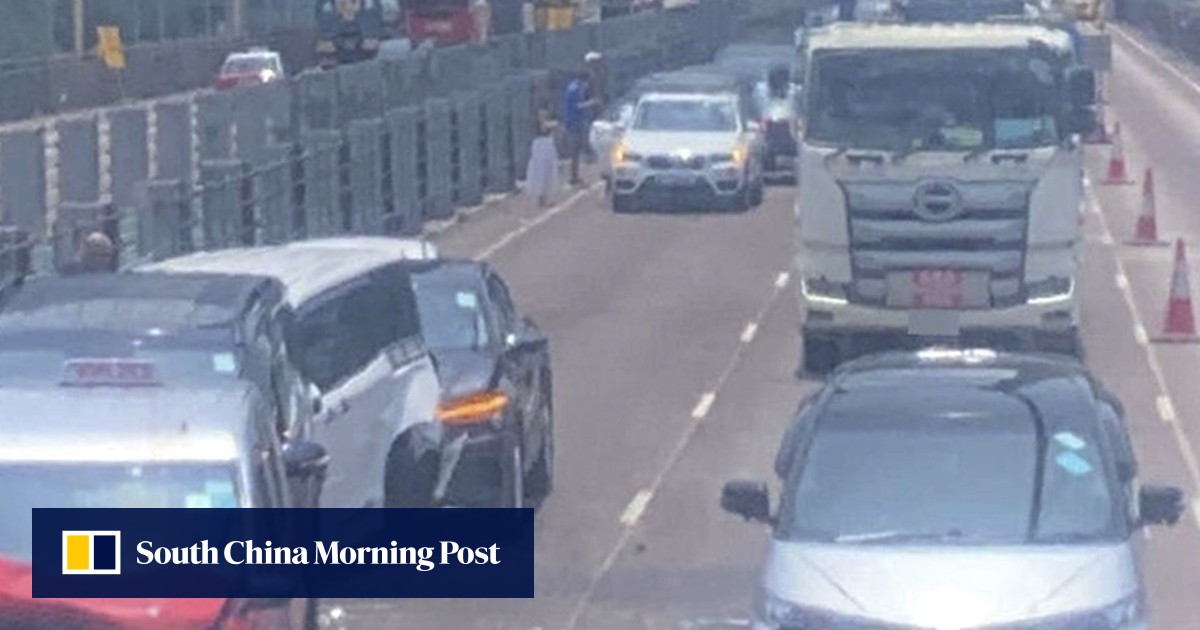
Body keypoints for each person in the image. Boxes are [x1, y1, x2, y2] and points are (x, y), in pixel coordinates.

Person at [561, 72, 595, 187]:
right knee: (574, 152)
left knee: (576, 152)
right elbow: (577, 106)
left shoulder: (574, 87)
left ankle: (574, 176)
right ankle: (573, 177)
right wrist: (591, 103)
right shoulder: (574, 90)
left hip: (576, 123)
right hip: (573, 124)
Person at [526, 106, 561, 208]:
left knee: (549, 171)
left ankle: (545, 197)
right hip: (539, 146)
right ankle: (540, 197)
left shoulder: (548, 121)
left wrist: (555, 126)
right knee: (540, 171)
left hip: (548, 144)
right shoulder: (537, 123)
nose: (544, 114)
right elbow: (544, 127)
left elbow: (556, 129)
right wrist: (553, 125)